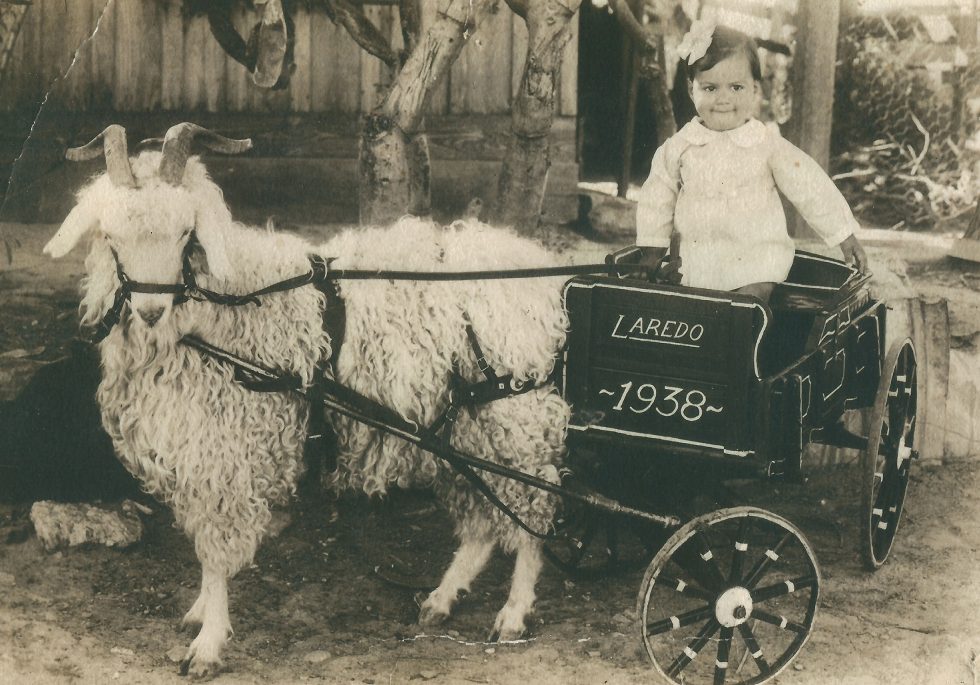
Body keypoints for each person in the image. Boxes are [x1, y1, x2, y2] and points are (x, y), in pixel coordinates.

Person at [635, 21, 867, 303]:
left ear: (755, 89)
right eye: (709, 88)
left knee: (747, 305)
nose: (723, 99)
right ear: (690, 88)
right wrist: (652, 251)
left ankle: (747, 336)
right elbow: (657, 198)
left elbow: (809, 186)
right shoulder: (680, 147)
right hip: (699, 260)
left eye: (736, 87)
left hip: (756, 259)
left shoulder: (765, 144)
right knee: (691, 310)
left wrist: (843, 235)